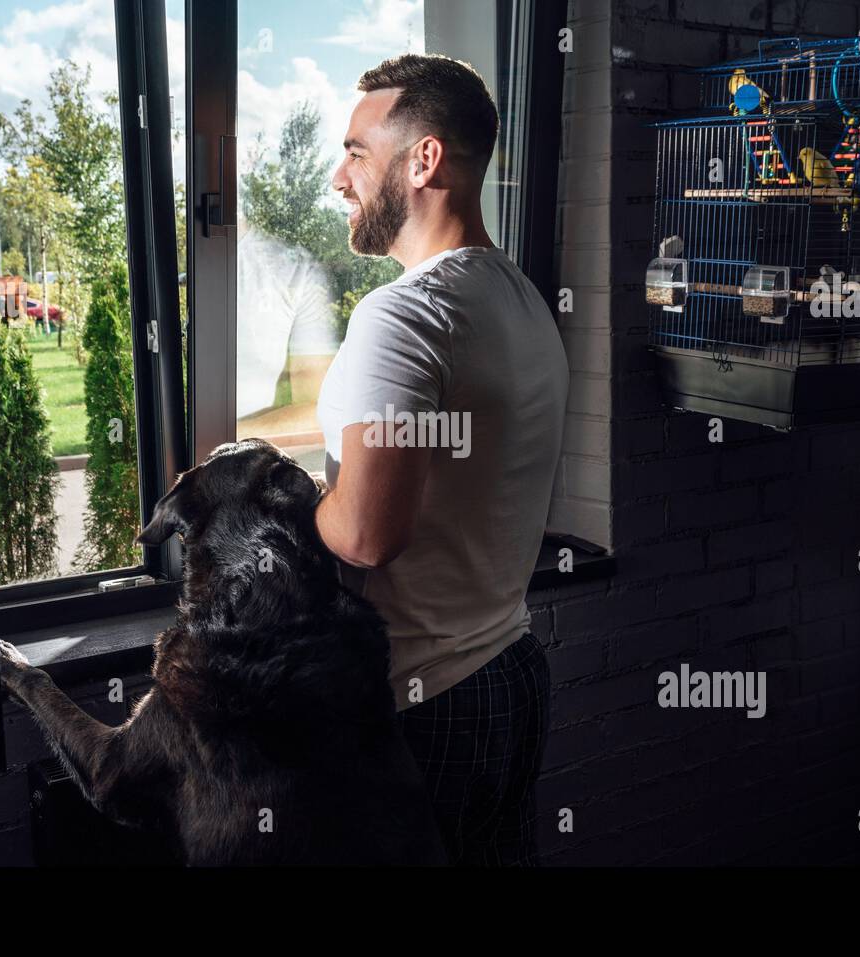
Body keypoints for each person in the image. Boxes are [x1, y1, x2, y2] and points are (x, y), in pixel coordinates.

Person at [313, 53, 569, 866]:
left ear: (423, 160)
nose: (337, 176)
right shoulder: (521, 297)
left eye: (357, 151)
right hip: (511, 672)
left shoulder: (404, 317)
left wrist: (276, 485)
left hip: (427, 702)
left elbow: (364, 535)